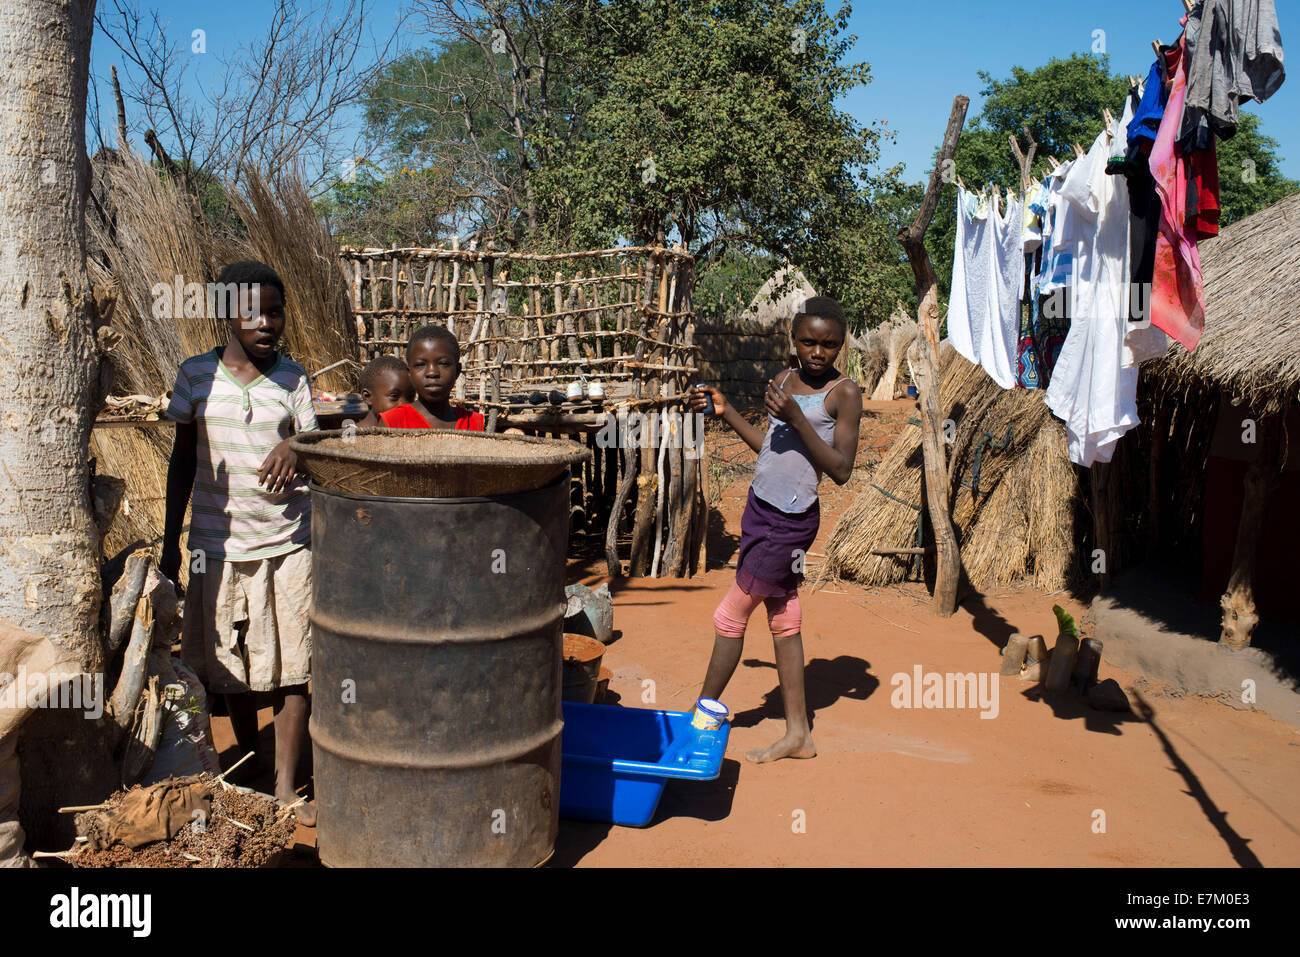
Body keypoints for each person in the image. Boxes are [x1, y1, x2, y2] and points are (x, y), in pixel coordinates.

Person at [160, 260, 318, 824]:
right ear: (227, 314)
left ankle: (283, 786)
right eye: (253, 311)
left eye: (275, 312)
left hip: (288, 542)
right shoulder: (196, 376)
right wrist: (169, 542)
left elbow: (313, 444)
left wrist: (297, 447)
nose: (266, 323)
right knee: (229, 664)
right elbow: (182, 462)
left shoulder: (294, 380)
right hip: (216, 545)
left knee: (294, 666)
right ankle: (250, 758)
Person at [689, 296, 862, 763]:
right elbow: (770, 448)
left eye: (829, 344)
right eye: (808, 341)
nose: (818, 352)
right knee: (783, 616)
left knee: (730, 616)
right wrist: (727, 412)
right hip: (759, 509)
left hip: (790, 522)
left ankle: (698, 719)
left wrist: (798, 418)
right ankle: (799, 734)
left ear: (840, 344)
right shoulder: (783, 380)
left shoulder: (844, 393)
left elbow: (841, 469)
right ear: (794, 338)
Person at [379, 325, 486, 431]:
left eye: (443, 363)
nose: (432, 372)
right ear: (409, 374)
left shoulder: (473, 423)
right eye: (420, 365)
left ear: (457, 371)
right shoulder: (393, 422)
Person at [355, 355, 414, 428]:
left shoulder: (415, 433)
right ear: (367, 397)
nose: (405, 405)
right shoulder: (350, 437)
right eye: (394, 396)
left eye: (410, 397)